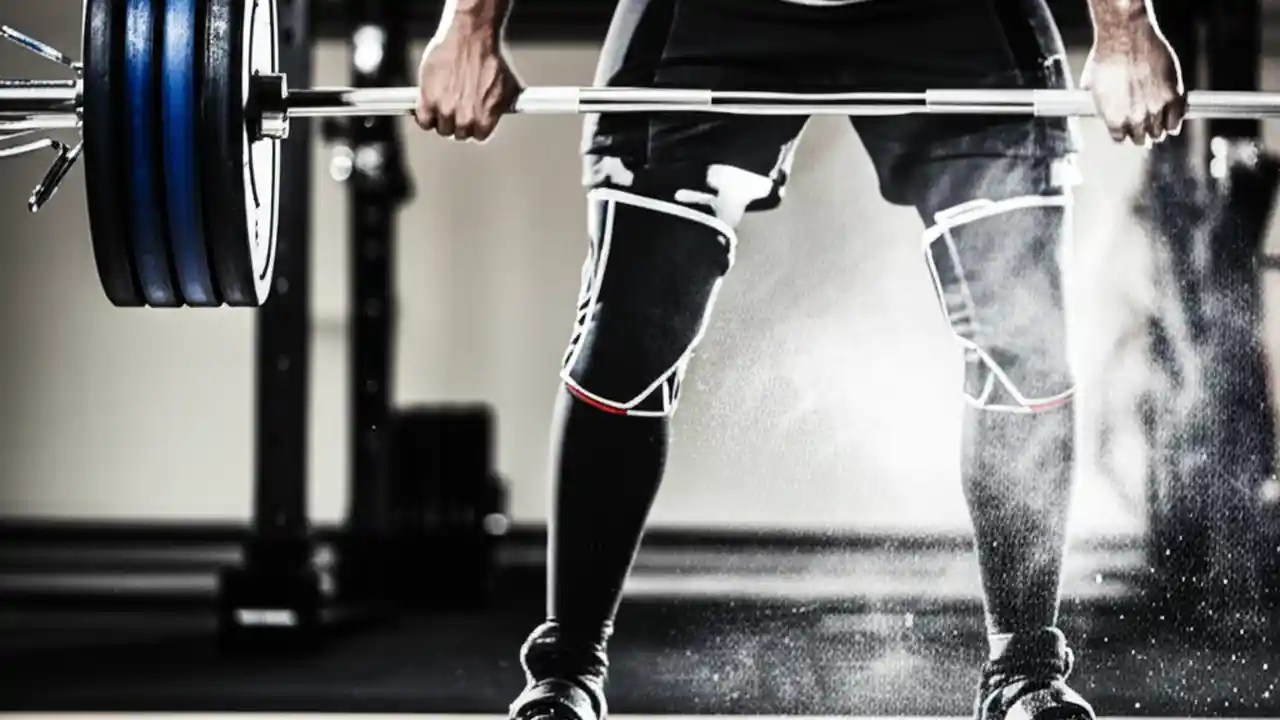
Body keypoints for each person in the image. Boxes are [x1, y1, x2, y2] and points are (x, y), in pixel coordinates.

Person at [414, 0, 1185, 718]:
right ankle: (567, 672)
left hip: (955, 14)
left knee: (1025, 340)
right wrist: (470, 24)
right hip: (708, 17)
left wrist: (1122, 25)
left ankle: (1025, 675)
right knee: (627, 343)